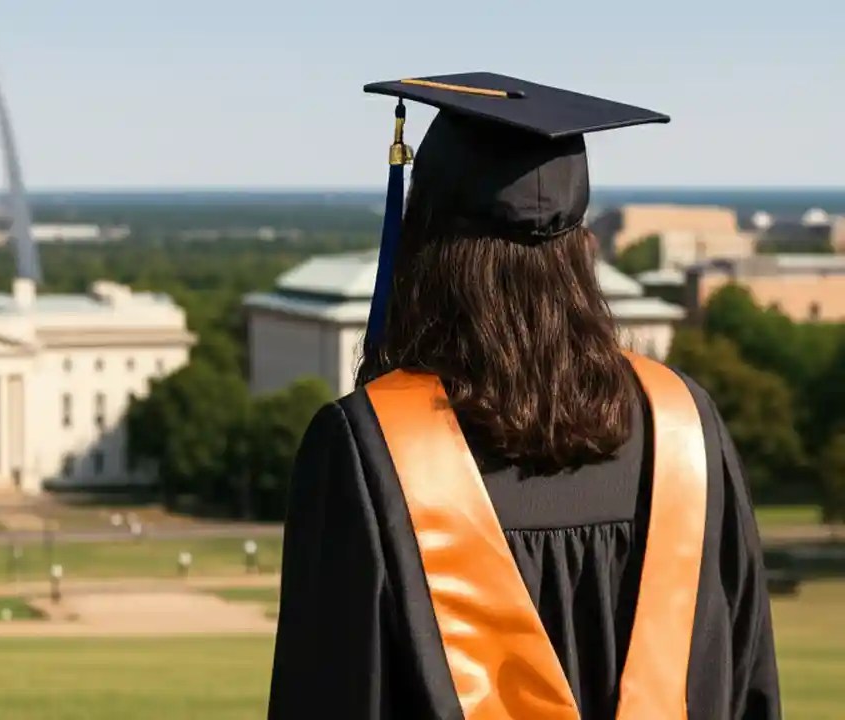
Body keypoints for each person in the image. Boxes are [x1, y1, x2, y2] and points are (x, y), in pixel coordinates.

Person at [268, 73, 779, 720]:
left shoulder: (369, 449)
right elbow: (751, 685)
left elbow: (331, 695)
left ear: (422, 242)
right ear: (581, 246)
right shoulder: (683, 425)